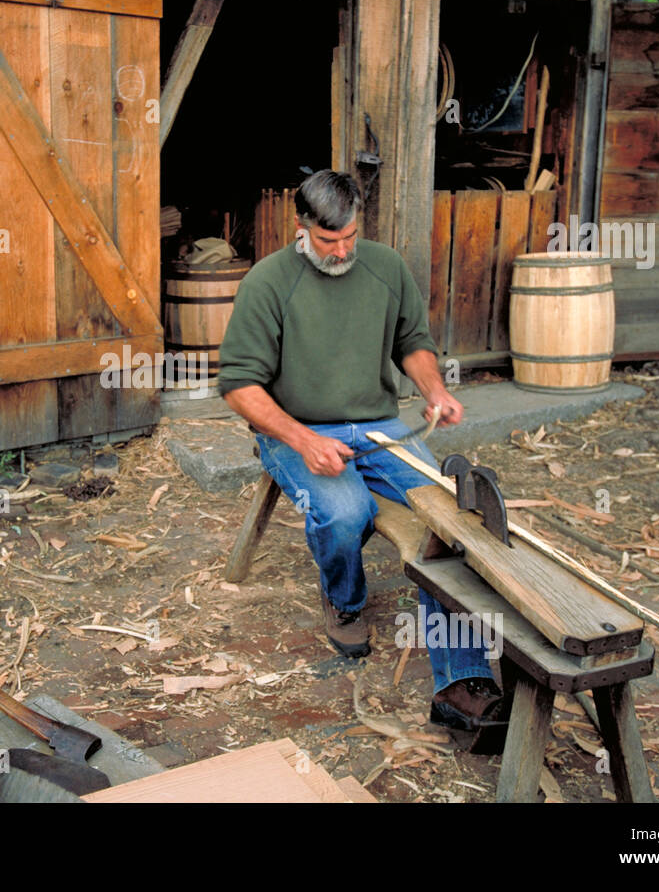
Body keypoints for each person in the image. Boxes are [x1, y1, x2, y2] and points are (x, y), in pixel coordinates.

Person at [216, 169, 504, 734]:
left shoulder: (385, 267)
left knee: (455, 518)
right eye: (328, 241)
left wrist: (434, 390)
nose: (342, 250)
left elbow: (412, 342)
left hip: (376, 428)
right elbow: (238, 386)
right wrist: (302, 438)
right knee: (346, 511)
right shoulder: (268, 283)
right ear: (301, 228)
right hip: (295, 429)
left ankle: (461, 681)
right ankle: (345, 599)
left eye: (350, 236)